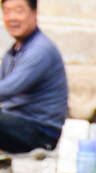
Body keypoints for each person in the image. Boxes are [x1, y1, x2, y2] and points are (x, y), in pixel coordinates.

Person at [0, 0, 67, 155]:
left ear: (34, 13)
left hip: (41, 132)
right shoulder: (15, 50)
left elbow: (8, 89)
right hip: (18, 124)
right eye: (7, 11)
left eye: (19, 11)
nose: (12, 18)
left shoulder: (40, 50)